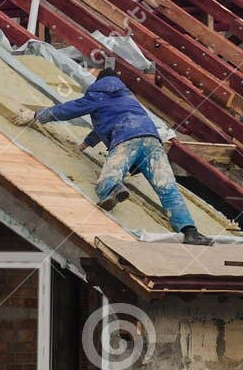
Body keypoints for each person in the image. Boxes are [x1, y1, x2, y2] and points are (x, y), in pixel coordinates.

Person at [13, 74, 214, 246]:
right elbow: (106, 122)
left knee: (107, 180)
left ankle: (114, 189)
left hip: (126, 139)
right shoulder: (127, 98)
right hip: (152, 141)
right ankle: (190, 232)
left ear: (97, 83)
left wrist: (37, 115)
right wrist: (84, 145)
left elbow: (69, 109)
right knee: (167, 186)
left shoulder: (96, 95)